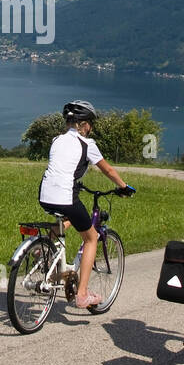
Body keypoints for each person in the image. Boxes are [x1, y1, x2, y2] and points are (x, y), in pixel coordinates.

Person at [39, 100, 135, 309]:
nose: (90, 128)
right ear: (83, 124)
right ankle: (82, 294)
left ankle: (45, 246)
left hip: (45, 195)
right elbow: (108, 170)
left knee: (72, 217)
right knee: (91, 237)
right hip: (65, 196)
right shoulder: (87, 145)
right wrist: (124, 186)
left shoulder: (57, 140)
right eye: (89, 123)